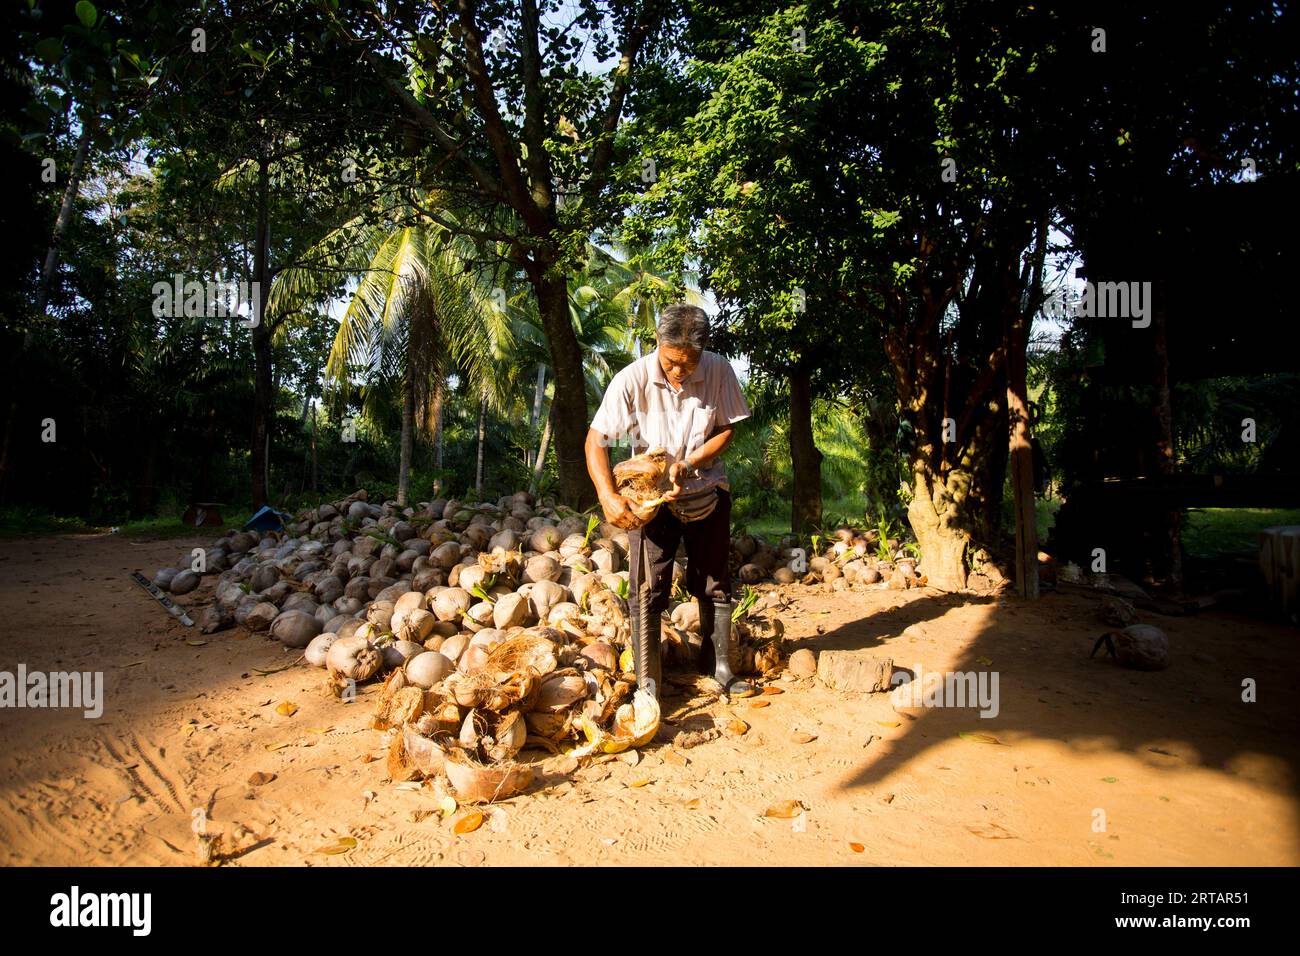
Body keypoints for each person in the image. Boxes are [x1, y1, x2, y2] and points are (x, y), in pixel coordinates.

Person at [584, 303, 756, 700]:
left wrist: (690, 462)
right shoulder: (631, 379)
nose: (680, 372)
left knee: (715, 582)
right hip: (650, 500)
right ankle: (649, 680)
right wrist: (608, 495)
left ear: (703, 352)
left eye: (689, 363)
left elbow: (726, 430)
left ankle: (718, 666)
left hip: (707, 490)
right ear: (657, 344)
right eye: (671, 362)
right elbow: (597, 442)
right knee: (647, 587)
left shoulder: (718, 370)